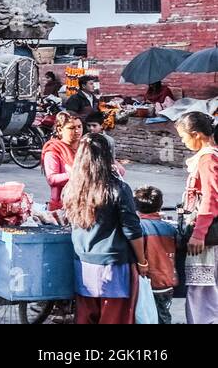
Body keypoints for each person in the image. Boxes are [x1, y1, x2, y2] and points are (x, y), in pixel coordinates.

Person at [64, 132, 146, 324]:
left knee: (85, 317)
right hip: (113, 265)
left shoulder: (73, 187)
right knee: (113, 318)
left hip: (83, 263)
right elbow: (132, 230)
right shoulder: (118, 188)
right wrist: (142, 261)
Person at [176, 111, 218, 324]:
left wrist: (198, 234)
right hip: (208, 232)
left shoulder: (207, 158)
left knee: (201, 289)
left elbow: (211, 198)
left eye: (184, 137)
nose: (184, 142)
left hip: (206, 234)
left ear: (196, 134)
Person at [134, 185, 176, 325]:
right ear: (160, 205)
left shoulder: (137, 228)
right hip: (165, 282)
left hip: (144, 282)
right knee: (163, 316)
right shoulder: (170, 228)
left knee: (143, 316)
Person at [41, 112, 82, 211]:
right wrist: (77, 174)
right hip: (61, 207)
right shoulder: (53, 150)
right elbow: (52, 179)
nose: (77, 131)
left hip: (85, 204)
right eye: (72, 128)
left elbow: (120, 170)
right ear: (60, 129)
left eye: (79, 126)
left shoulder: (86, 147)